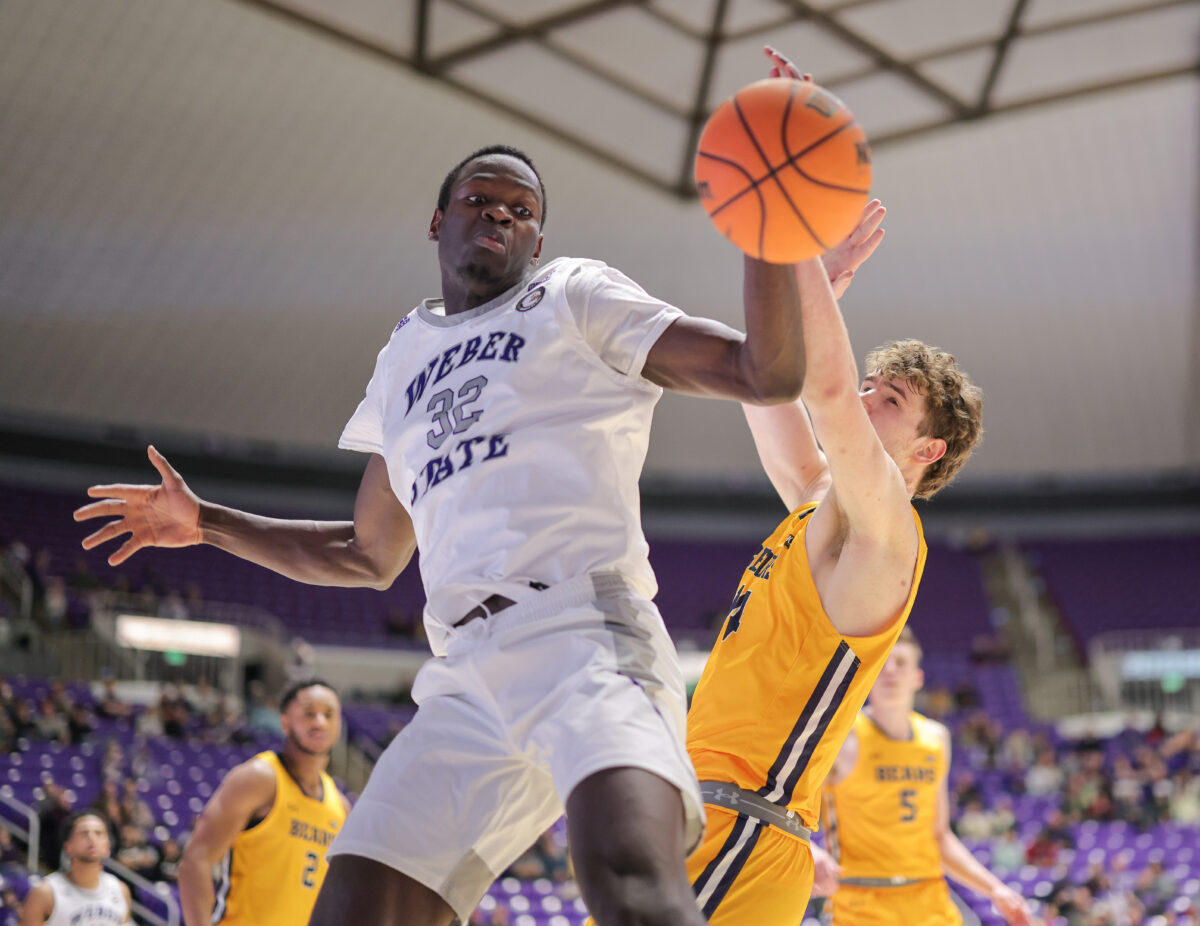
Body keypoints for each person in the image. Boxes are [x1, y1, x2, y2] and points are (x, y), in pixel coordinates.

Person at [75, 100, 813, 924]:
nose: (499, 213)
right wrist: (208, 521)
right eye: (480, 200)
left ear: (537, 238)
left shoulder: (575, 295)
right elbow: (368, 553)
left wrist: (771, 224)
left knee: (631, 883)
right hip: (466, 673)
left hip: (583, 637)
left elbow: (764, 372)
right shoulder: (402, 358)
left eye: (521, 210)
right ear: (438, 222)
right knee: (356, 910)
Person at [682, 43, 986, 926]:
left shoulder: (888, 525)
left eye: (886, 400)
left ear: (927, 453)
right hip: (707, 815)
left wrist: (793, 226)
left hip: (744, 825)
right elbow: (767, 377)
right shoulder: (818, 500)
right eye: (866, 385)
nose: (859, 399)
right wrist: (811, 281)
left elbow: (817, 385)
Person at [814, 628, 1033, 924]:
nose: (890, 670)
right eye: (883, 662)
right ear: (868, 673)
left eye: (901, 662)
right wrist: (810, 850)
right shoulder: (840, 737)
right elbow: (783, 806)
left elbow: (939, 836)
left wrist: (995, 890)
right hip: (859, 901)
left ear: (918, 678)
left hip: (929, 897)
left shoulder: (936, 738)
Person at [176, 679, 348, 926]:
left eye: (329, 714)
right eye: (309, 713)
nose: (320, 722)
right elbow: (195, 862)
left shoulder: (340, 806)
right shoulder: (259, 778)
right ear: (285, 723)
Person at [18, 811, 131, 926]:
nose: (92, 838)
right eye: (84, 833)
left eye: (98, 833)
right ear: (68, 847)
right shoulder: (45, 892)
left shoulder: (120, 890)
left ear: (107, 847)